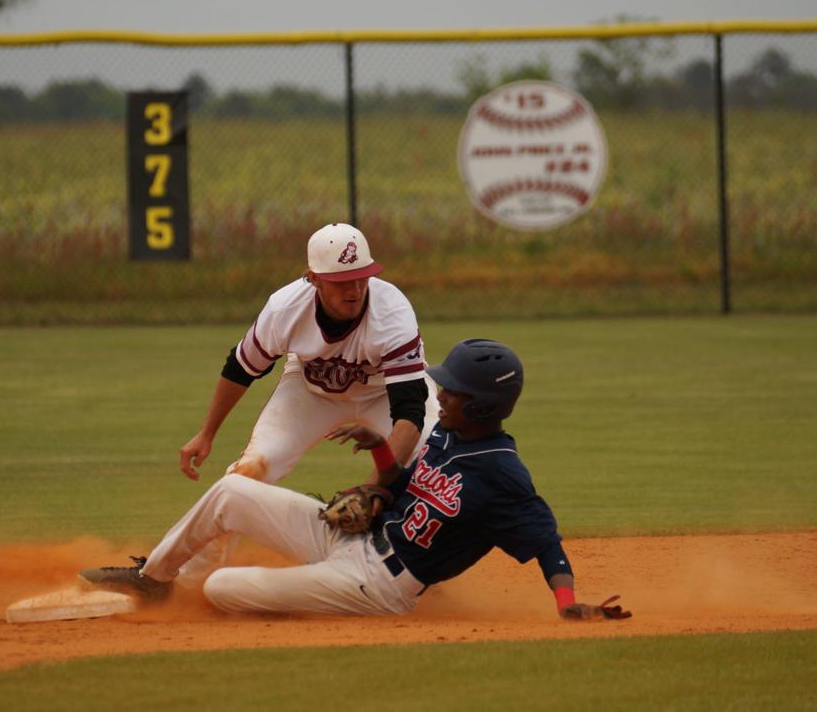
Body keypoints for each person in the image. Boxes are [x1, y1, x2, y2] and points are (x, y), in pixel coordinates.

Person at [81, 339, 631, 621]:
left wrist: (567, 605)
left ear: (484, 406)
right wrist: (378, 467)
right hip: (350, 540)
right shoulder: (444, 437)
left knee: (223, 588)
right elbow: (398, 486)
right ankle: (153, 579)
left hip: (379, 586)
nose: (440, 395)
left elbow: (546, 542)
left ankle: (317, 596)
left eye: (453, 391)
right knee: (229, 491)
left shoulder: (503, 476)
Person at [177, 222, 438, 485]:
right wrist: (206, 433)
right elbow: (241, 368)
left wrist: (373, 489)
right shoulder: (285, 308)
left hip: (383, 393)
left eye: (361, 276)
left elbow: (409, 411)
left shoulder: (392, 313)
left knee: (435, 463)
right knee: (249, 474)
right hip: (311, 391)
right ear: (313, 279)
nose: (355, 290)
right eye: (342, 281)